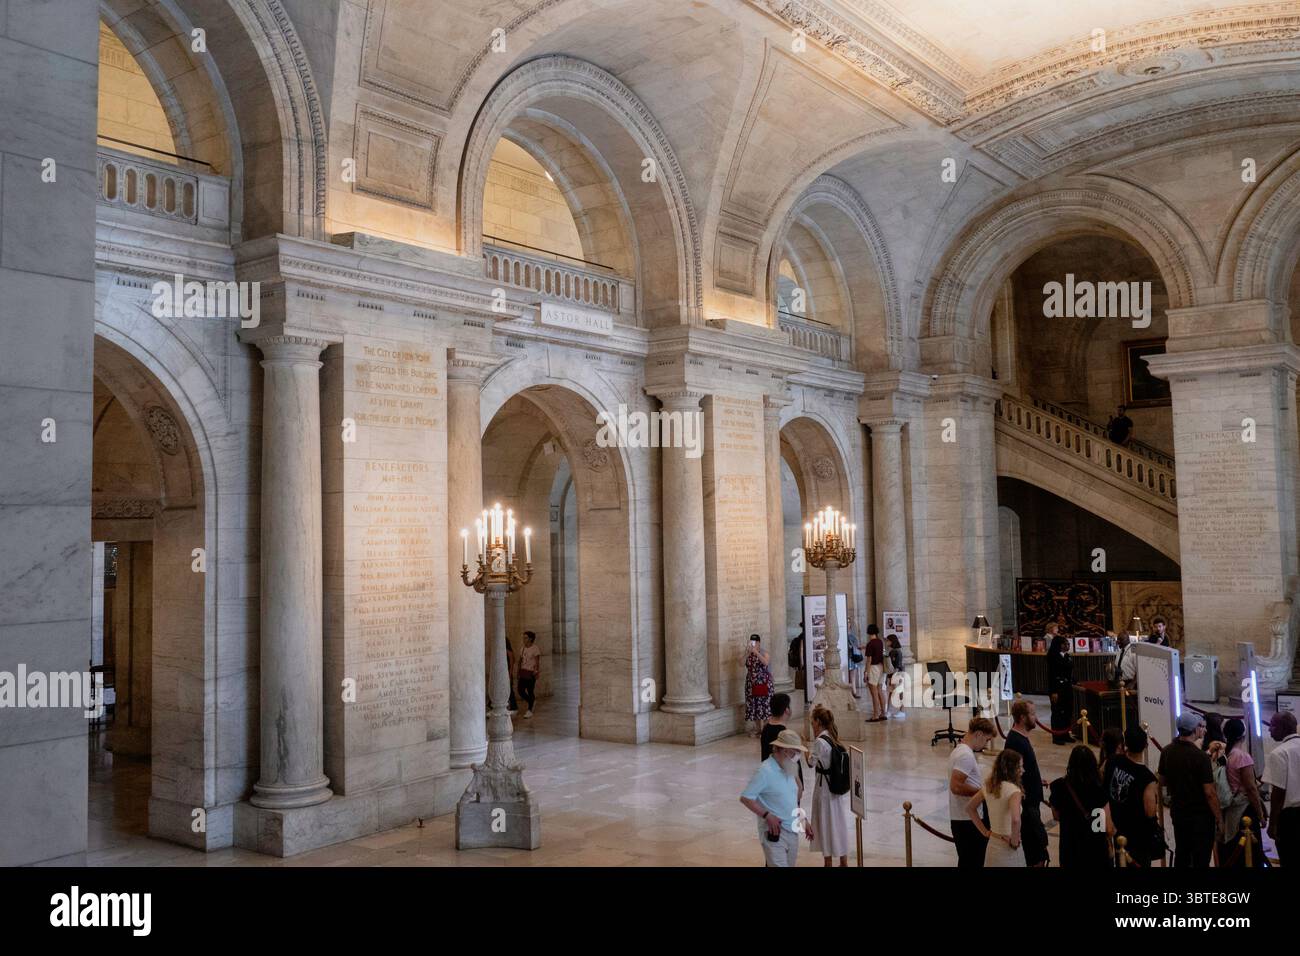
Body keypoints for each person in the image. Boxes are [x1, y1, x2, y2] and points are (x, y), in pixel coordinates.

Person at [1157, 710, 1222, 867]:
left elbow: (1162, 781)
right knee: (1201, 856)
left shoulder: (1167, 751)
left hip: (1179, 812)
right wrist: (1219, 818)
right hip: (1200, 817)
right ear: (1195, 729)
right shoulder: (1200, 757)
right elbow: (1209, 793)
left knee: (1183, 852)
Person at [740, 729, 812, 866]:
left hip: (792, 831)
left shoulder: (790, 767)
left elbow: (791, 800)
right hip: (775, 833)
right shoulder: (765, 771)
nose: (798, 755)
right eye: (796, 751)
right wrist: (767, 815)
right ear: (785, 750)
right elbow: (746, 798)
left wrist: (804, 821)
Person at [1105, 726, 1161, 867]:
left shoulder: (1113, 761)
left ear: (1125, 745)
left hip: (1118, 826)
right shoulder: (1146, 778)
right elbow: (1150, 812)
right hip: (1138, 836)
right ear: (1146, 746)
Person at [1004, 698, 1049, 866]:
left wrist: (1037, 779)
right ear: (1022, 718)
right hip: (1027, 806)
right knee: (1035, 853)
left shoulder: (1021, 737)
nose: (1036, 717)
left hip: (1032, 803)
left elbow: (1025, 769)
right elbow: (1012, 774)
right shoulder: (1015, 741)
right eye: (1032, 714)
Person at [1216, 718, 1266, 867]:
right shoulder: (1243, 756)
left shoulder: (1227, 755)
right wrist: (1260, 815)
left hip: (1231, 809)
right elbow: (1250, 788)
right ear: (1243, 735)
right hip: (1245, 810)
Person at [1049, 745, 1110, 868]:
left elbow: (1056, 816)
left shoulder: (1059, 786)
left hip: (1070, 848)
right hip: (1096, 849)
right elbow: (1106, 826)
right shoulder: (1100, 789)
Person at [807, 704, 852, 866]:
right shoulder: (834, 738)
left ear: (818, 722)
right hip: (835, 789)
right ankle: (843, 860)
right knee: (838, 823)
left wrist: (804, 750)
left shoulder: (820, 741)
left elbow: (811, 763)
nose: (812, 726)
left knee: (826, 824)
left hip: (824, 790)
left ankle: (827, 862)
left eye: (812, 723)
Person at [948, 716, 996, 867]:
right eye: (986, 740)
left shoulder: (960, 750)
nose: (986, 744)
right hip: (967, 821)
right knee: (973, 861)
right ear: (979, 734)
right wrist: (983, 793)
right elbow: (955, 786)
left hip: (962, 818)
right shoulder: (965, 755)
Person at [968, 749, 1025, 867]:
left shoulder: (989, 787)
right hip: (1008, 848)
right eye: (1019, 767)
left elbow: (970, 808)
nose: (1022, 770)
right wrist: (1014, 842)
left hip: (993, 843)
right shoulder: (1014, 791)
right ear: (1012, 769)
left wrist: (985, 832)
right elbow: (1015, 819)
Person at [1263, 710, 1300, 865]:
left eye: (1272, 725)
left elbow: (1278, 791)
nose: (1269, 729)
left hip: (1290, 818)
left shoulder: (1279, 753)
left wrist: (1273, 823)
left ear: (1283, 728)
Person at [761, 693, 803, 798]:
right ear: (786, 710)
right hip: (785, 786)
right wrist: (799, 786)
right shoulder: (785, 735)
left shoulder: (766, 729)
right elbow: (789, 763)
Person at [1046, 628, 1073, 745]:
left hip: (1067, 687)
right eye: (1065, 644)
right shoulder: (1053, 657)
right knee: (1057, 712)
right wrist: (1054, 692)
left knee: (1067, 711)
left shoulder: (1067, 656)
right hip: (1057, 688)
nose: (1067, 646)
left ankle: (1065, 733)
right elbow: (1052, 675)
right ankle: (1057, 736)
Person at [744, 634, 773, 736]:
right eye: (752, 642)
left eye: (755, 642)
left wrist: (756, 652)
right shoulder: (748, 653)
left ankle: (765, 728)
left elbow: (765, 662)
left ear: (759, 643)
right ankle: (757, 728)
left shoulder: (764, 652)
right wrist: (747, 653)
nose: (753, 644)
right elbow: (740, 663)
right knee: (754, 705)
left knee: (764, 705)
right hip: (751, 683)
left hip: (763, 682)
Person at [863, 624, 886, 721]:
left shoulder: (870, 644)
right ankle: (883, 713)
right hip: (881, 667)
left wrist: (866, 672)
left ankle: (876, 715)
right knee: (880, 690)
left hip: (873, 668)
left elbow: (869, 660)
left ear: (868, 632)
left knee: (874, 692)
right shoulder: (880, 642)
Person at [517, 630, 540, 719]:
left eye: (525, 637)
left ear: (530, 639)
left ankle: (530, 710)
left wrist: (537, 672)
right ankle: (531, 701)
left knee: (530, 691)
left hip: (531, 673)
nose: (523, 639)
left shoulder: (535, 649)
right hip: (523, 672)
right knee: (520, 690)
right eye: (523, 637)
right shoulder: (522, 648)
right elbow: (520, 661)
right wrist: (518, 672)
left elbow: (537, 662)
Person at [884, 635, 905, 719]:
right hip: (891, 675)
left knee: (899, 693)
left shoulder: (898, 652)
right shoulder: (891, 651)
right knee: (890, 693)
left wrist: (894, 676)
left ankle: (902, 711)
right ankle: (888, 710)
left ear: (892, 641)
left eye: (888, 641)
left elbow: (898, 665)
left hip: (897, 674)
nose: (886, 642)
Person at [846, 625, 863, 698]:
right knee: (852, 676)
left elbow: (855, 646)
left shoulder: (851, 636)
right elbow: (857, 646)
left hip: (851, 657)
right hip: (851, 657)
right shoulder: (852, 636)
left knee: (852, 676)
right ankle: (853, 692)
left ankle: (854, 691)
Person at [789, 623, 806, 692]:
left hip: (800, 666)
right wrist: (801, 666)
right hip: (803, 665)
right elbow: (801, 652)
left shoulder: (798, 638)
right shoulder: (802, 638)